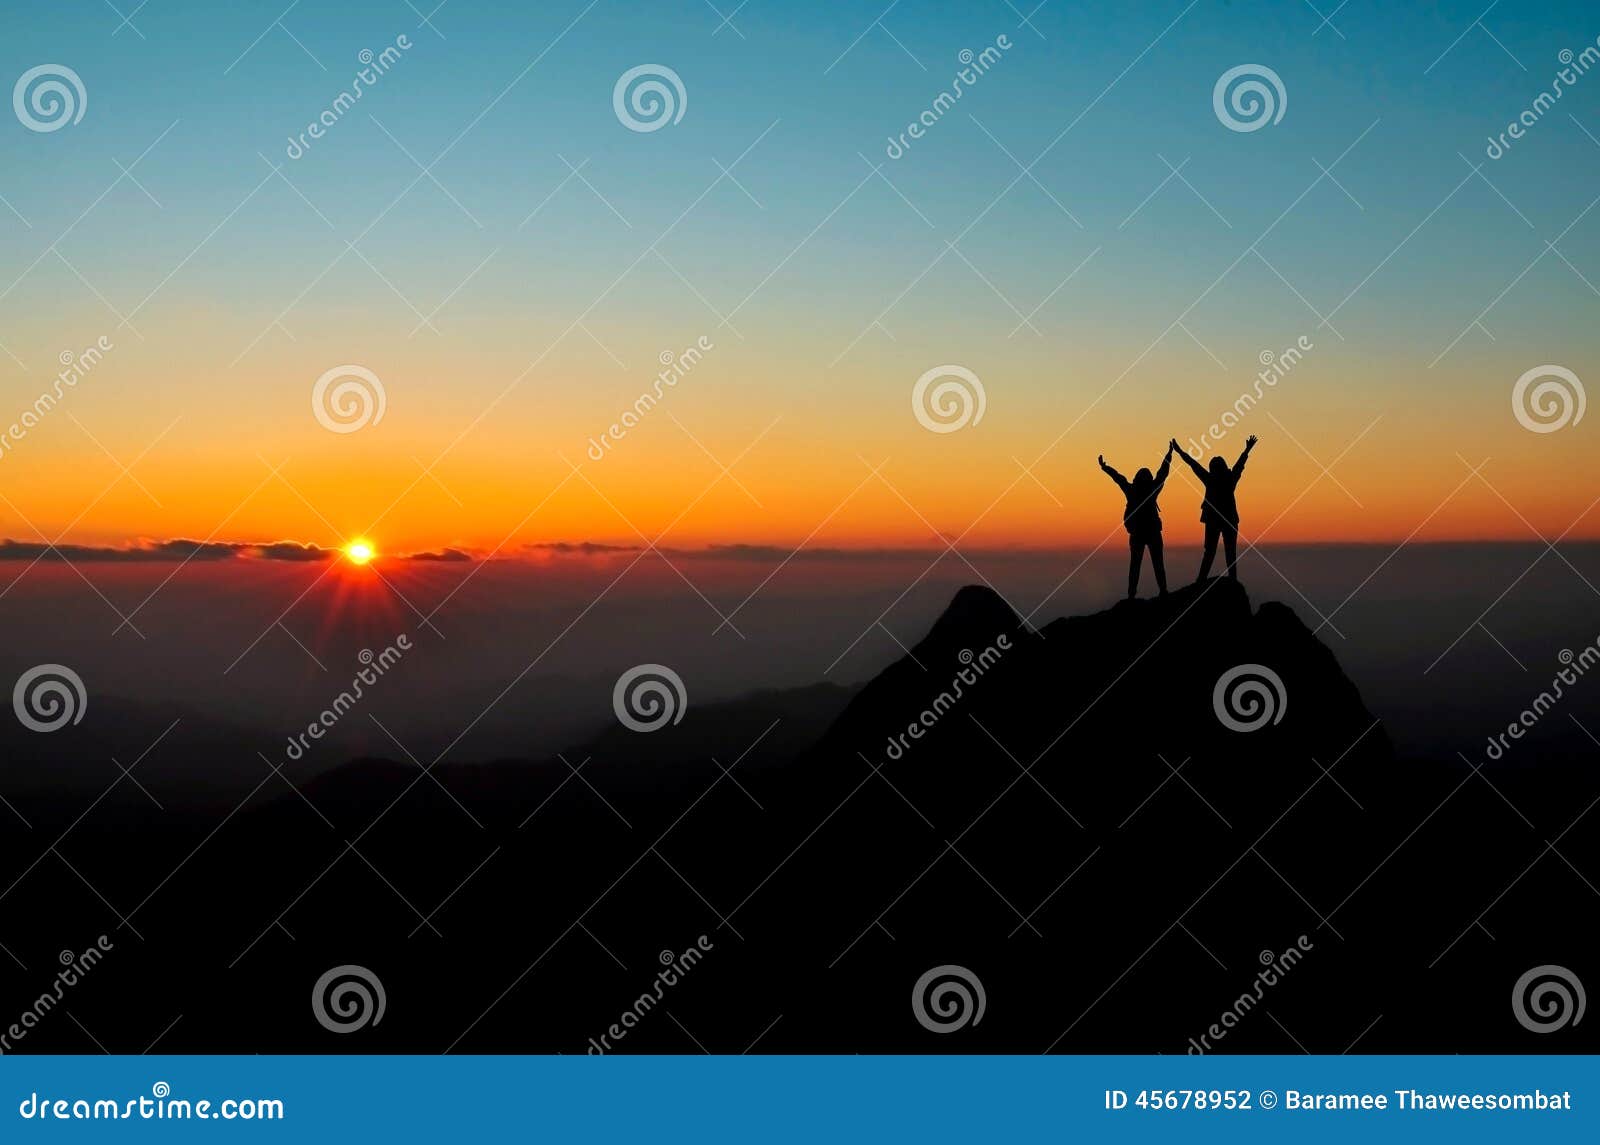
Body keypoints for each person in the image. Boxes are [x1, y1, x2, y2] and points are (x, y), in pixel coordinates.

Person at [1171, 434, 1257, 582]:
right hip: (1229, 520)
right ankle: (1232, 581)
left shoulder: (1210, 479)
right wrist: (1247, 450)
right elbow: (1239, 465)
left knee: (1210, 552)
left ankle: (1201, 580)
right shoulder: (1230, 479)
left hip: (1213, 520)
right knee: (1230, 553)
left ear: (1212, 469)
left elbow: (1193, 464)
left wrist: (1179, 452)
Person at [1099, 445, 1173, 599]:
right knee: (1157, 563)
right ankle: (1163, 591)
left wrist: (1105, 467)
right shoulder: (1152, 489)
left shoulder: (1131, 490)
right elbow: (1163, 473)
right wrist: (1169, 455)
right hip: (1152, 532)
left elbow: (1118, 478)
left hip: (1137, 533)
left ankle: (1132, 595)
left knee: (1135, 565)